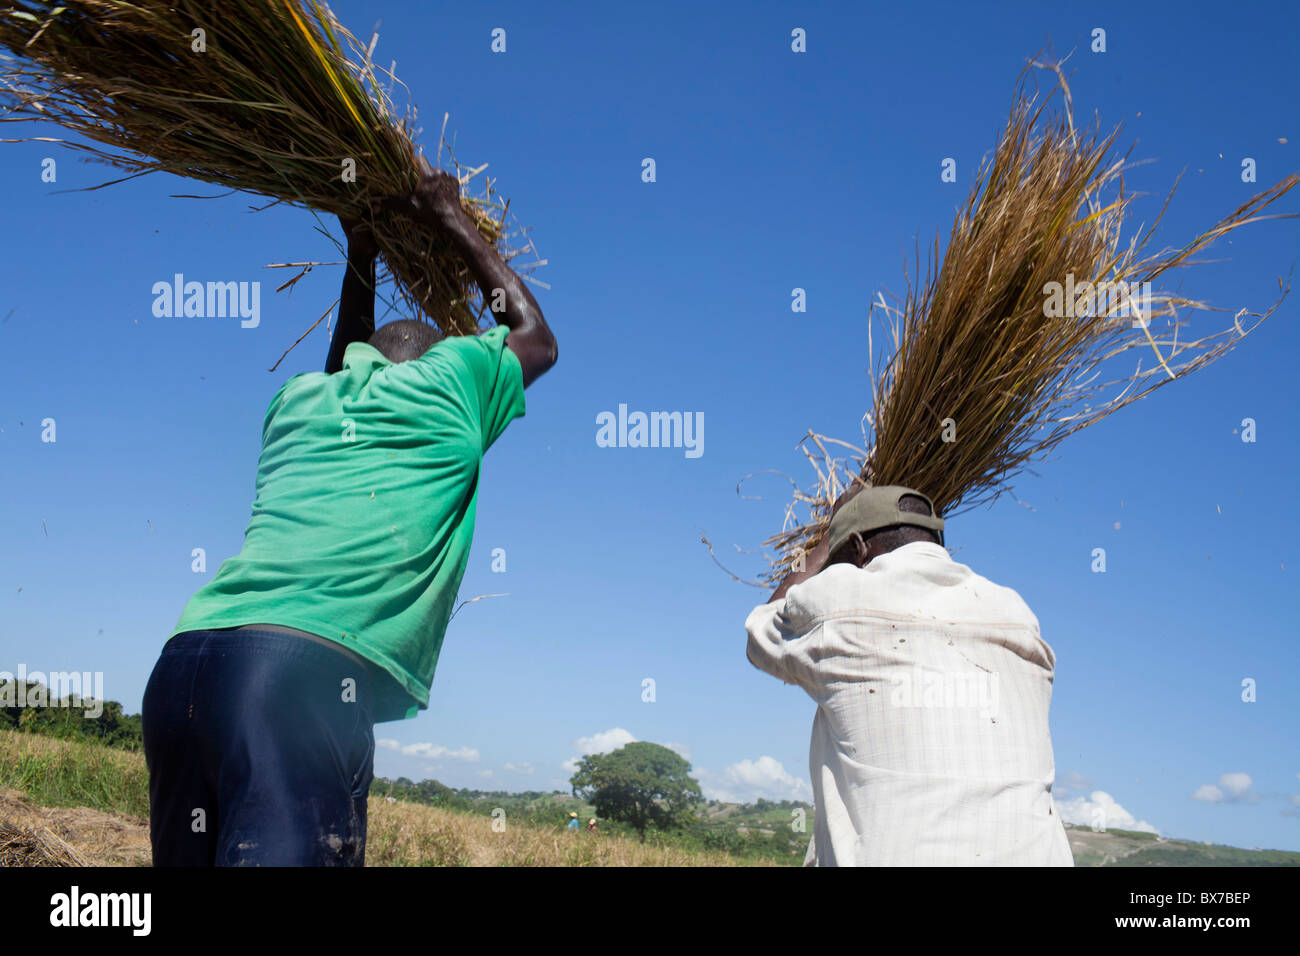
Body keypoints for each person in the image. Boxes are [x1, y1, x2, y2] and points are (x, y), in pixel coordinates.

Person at [142, 168, 557, 866]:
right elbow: (534, 337)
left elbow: (342, 358)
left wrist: (360, 250)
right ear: (439, 363)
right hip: (295, 678)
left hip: (186, 666)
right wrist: (450, 216)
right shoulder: (451, 386)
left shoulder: (302, 403)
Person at [745, 484, 1072, 866]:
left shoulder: (841, 596)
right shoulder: (1017, 613)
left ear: (858, 549)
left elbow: (761, 629)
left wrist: (824, 546)